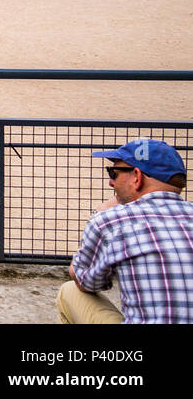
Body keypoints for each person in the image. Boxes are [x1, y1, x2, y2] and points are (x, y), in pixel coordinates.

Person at [57, 138, 193, 324]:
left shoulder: (110, 221)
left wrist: (100, 213)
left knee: (69, 291)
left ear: (137, 177)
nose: (111, 183)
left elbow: (86, 282)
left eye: (114, 173)